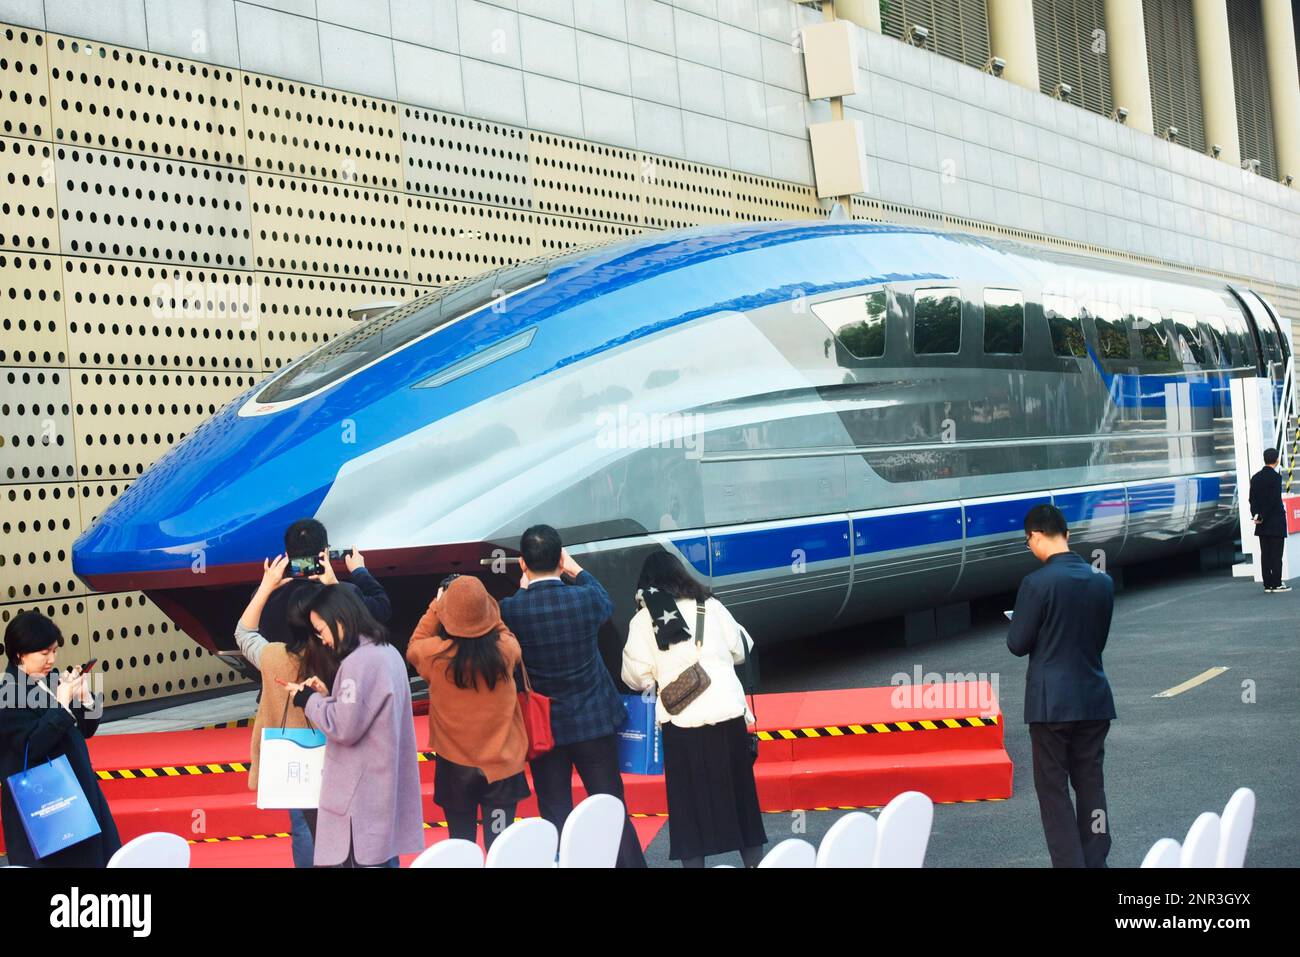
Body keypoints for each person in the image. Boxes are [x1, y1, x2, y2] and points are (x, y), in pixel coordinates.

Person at [499, 524, 646, 868]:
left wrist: (522, 592)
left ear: (522, 563)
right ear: (560, 558)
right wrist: (576, 569)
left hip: (544, 727)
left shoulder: (511, 609)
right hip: (594, 721)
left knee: (555, 810)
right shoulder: (585, 599)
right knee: (611, 802)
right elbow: (604, 598)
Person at [621, 551, 766, 868]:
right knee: (742, 803)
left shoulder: (643, 619)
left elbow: (637, 677)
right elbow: (742, 649)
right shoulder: (709, 605)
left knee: (689, 812)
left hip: (681, 724)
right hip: (727, 716)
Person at [1007, 503, 1117, 868]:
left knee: (1053, 790)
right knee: (1090, 783)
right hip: (1093, 697)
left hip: (1050, 703)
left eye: (1029, 542)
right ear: (1066, 535)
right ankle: (1095, 860)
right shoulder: (1102, 581)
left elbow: (1017, 643)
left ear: (1035, 536)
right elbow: (1096, 641)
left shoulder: (1035, 584)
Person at [285, 587, 424, 867]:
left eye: (320, 630)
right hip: (382, 788)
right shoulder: (387, 652)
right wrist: (328, 698)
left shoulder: (358, 662)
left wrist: (309, 700)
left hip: (358, 800)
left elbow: (343, 727)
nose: (321, 639)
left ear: (339, 621)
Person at [407, 576, 529, 851]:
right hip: (501, 767)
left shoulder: (434, 657)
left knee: (461, 845)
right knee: (500, 845)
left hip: (455, 768)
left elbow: (415, 643)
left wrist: (437, 607)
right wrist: (484, 610)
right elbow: (504, 631)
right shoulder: (506, 651)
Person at [0, 611, 121, 867]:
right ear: (20, 653)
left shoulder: (53, 681)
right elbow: (32, 746)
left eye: (54, 651)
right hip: (46, 801)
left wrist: (84, 697)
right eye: (44, 654)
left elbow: (86, 730)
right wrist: (62, 703)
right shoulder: (7, 693)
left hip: (79, 790)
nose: (51, 660)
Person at [235, 556, 333, 867]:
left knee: (303, 826)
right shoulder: (342, 652)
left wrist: (267, 585)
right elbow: (366, 623)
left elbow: (244, 634)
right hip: (339, 754)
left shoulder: (274, 657)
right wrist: (330, 580)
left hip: (294, 760)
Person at [256, 518, 391, 645]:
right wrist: (359, 571)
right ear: (325, 551)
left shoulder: (261, 597)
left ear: (287, 554)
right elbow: (382, 608)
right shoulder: (345, 592)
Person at [1249, 447, 1290, 593]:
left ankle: (1268, 584)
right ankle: (1277, 583)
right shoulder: (1276, 477)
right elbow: (1273, 501)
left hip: (1261, 524)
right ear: (1277, 460)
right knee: (1276, 554)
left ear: (1264, 459)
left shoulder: (1255, 477)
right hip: (1275, 521)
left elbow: (1252, 500)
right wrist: (1263, 515)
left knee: (1265, 554)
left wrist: (1256, 515)